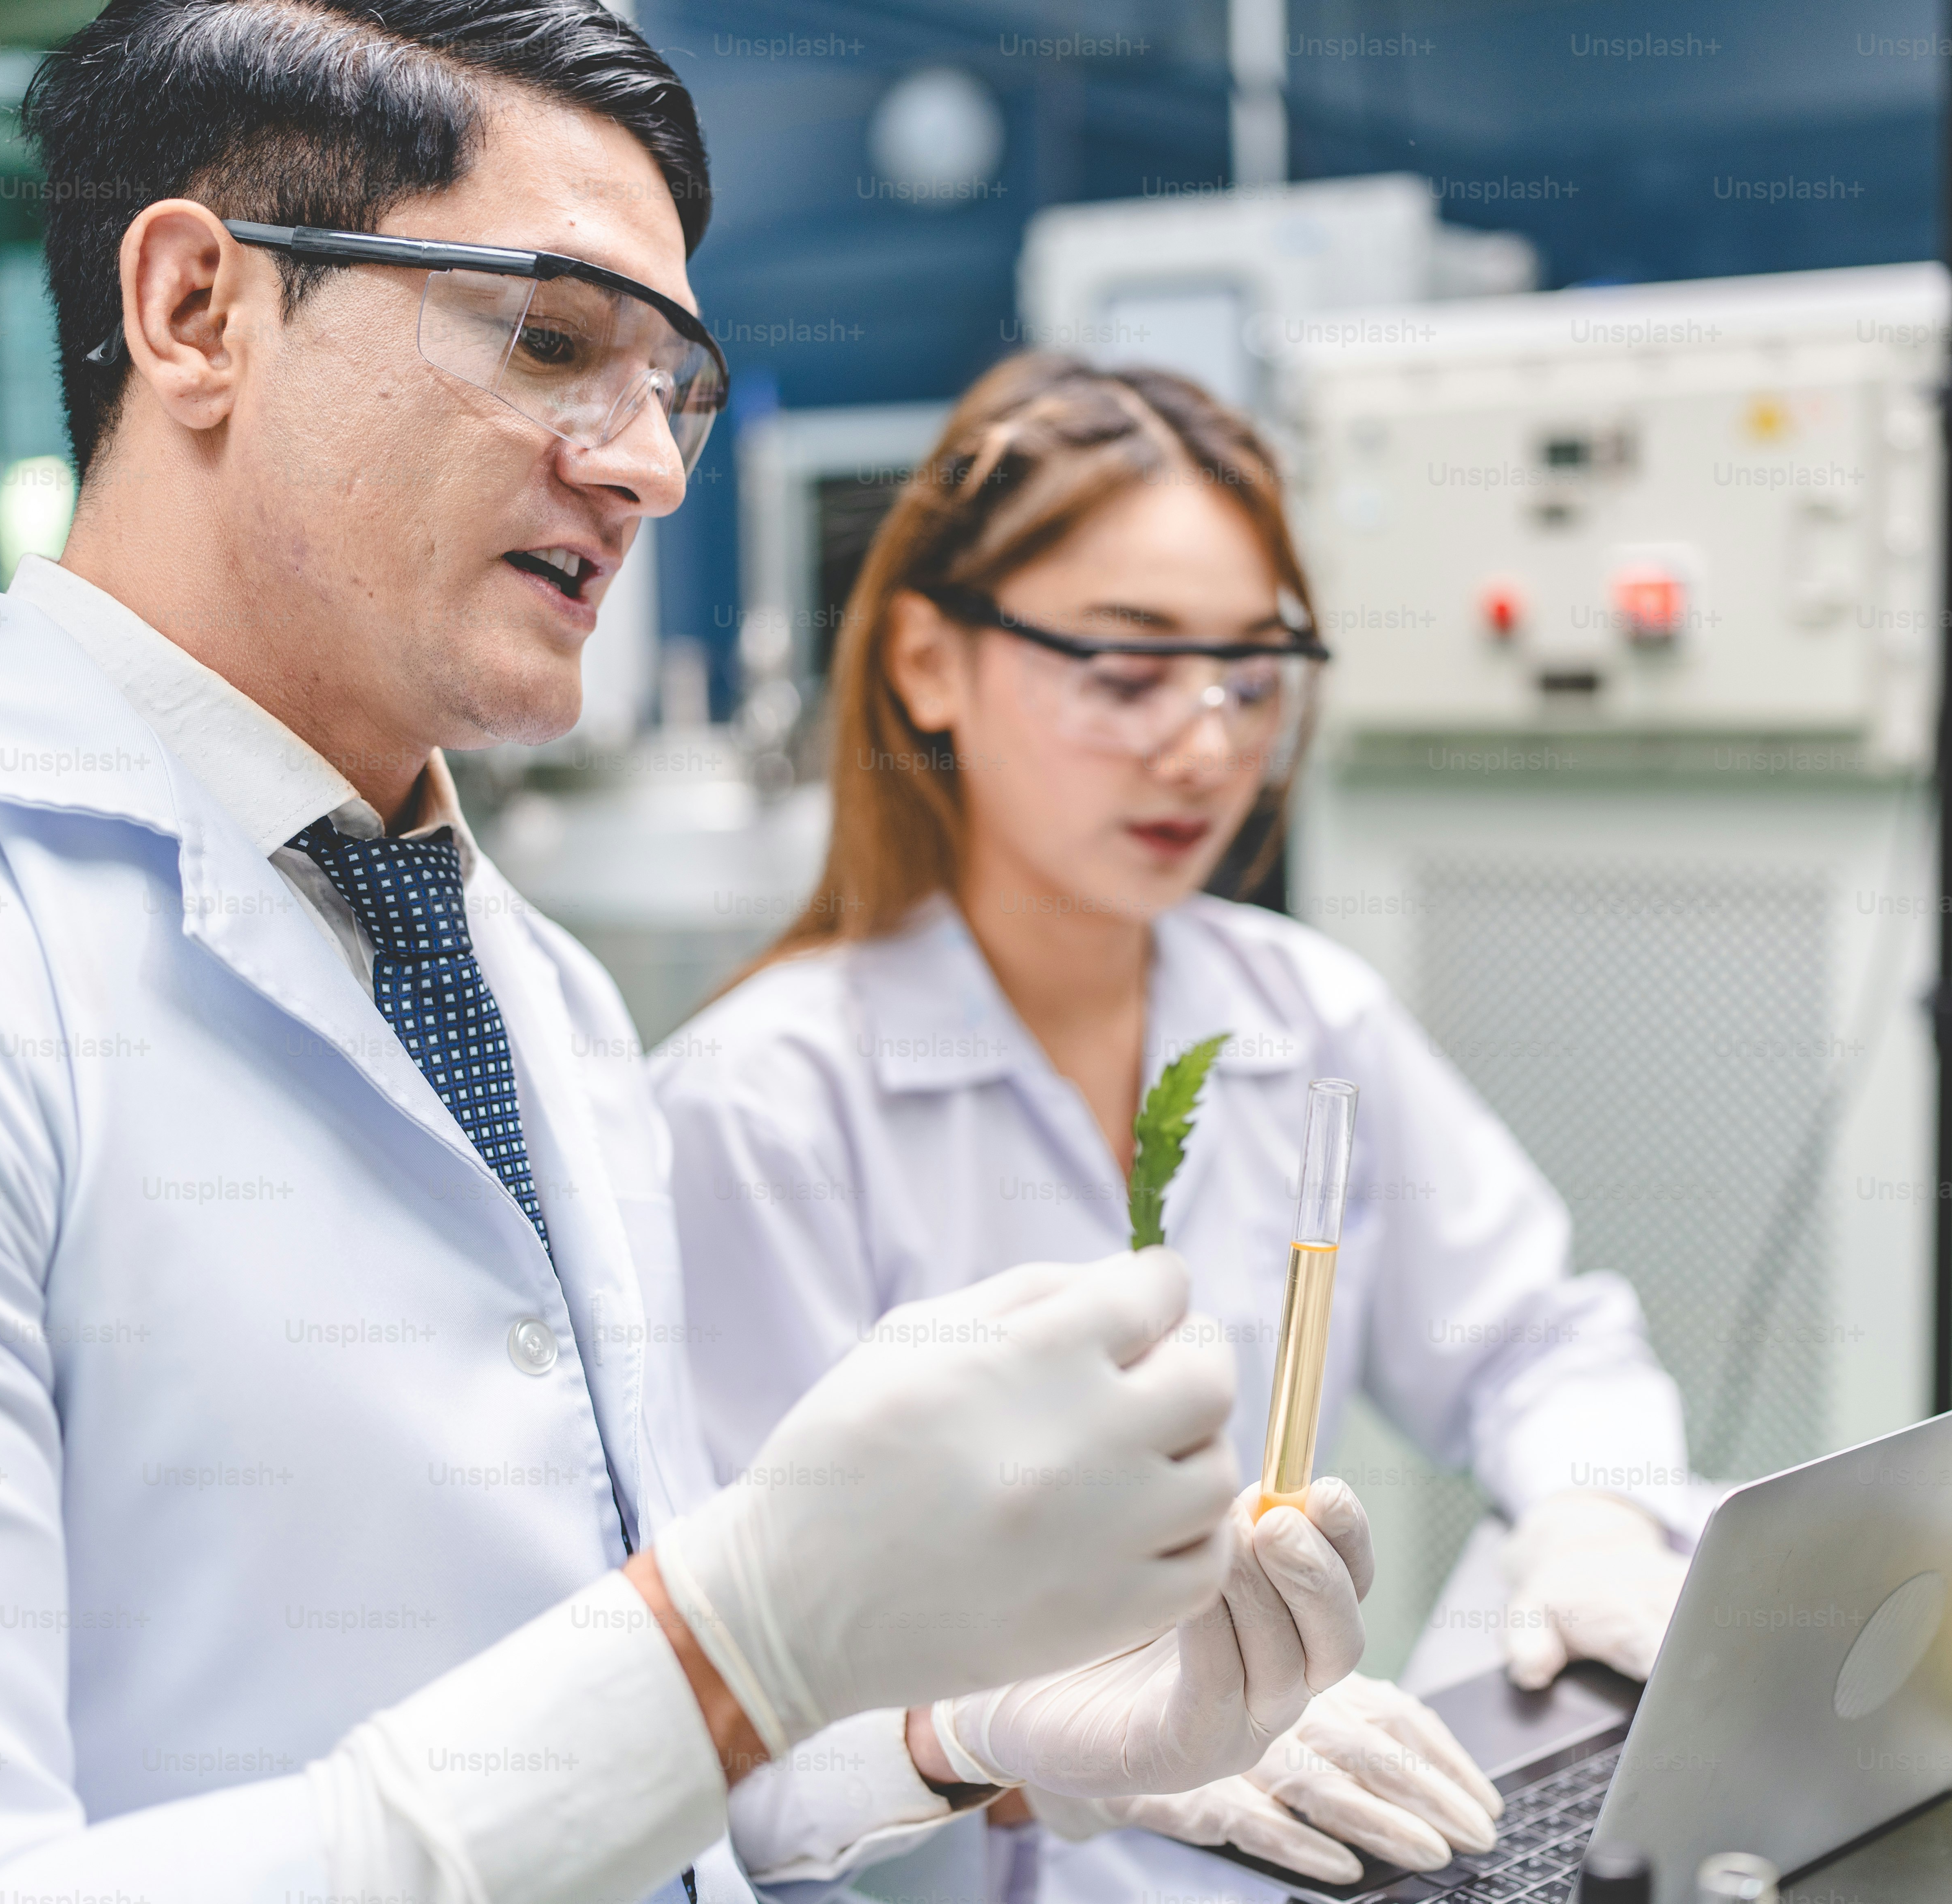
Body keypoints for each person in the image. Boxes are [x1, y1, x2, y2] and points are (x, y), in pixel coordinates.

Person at [0, 9, 1371, 1900]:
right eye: (550, 342)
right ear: (199, 309)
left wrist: (968, 1731)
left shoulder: (529, 989)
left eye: (671, 384)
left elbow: (636, 1759)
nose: (651, 471)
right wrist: (736, 1639)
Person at [653, 355, 1705, 1903]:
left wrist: (1596, 1517)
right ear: (930, 664)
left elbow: (1540, 1344)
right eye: (1127, 673)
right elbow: (729, 1720)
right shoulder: (762, 1104)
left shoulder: (1304, 1015)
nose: (1207, 746)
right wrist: (1022, 1738)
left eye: (1252, 678)